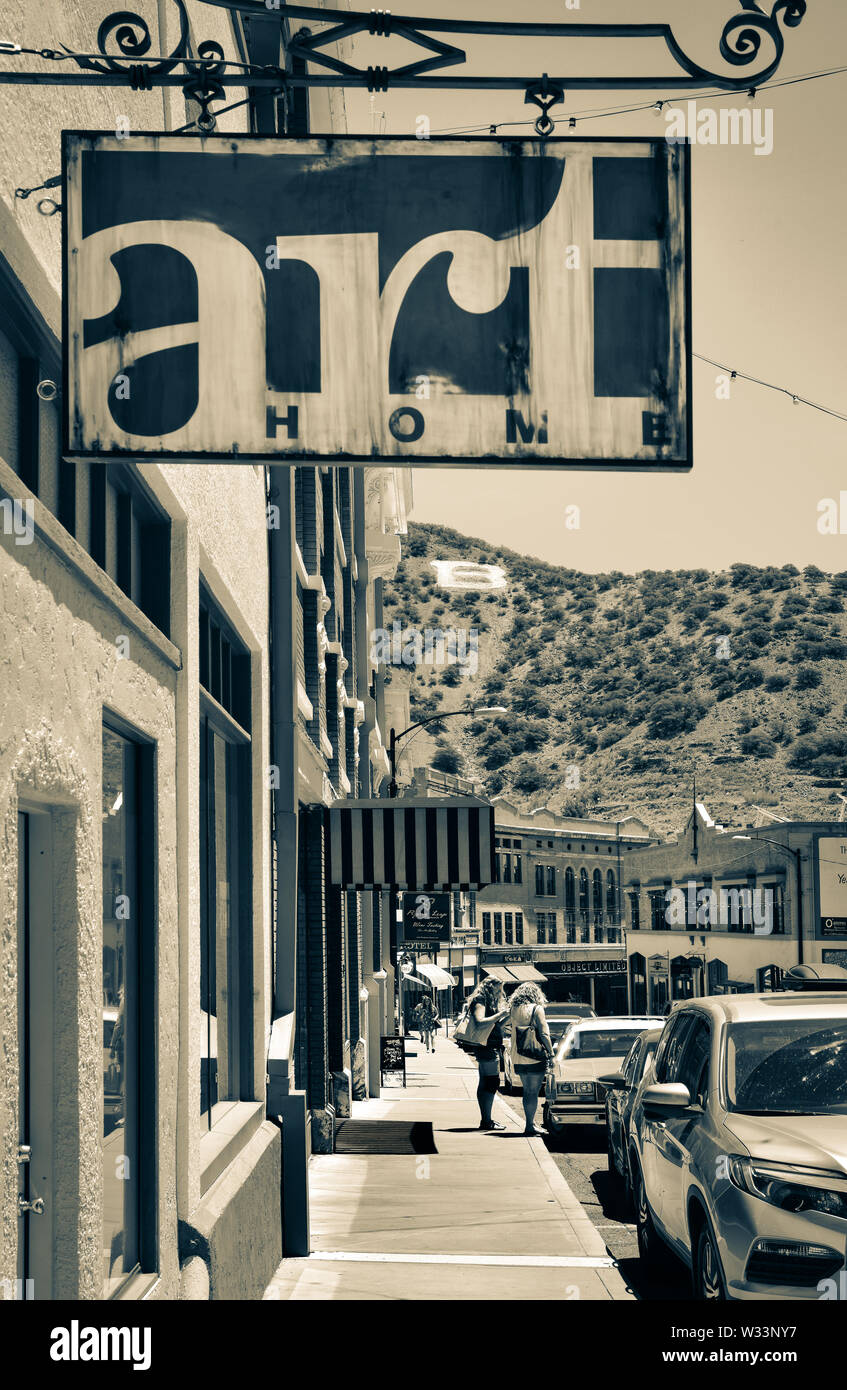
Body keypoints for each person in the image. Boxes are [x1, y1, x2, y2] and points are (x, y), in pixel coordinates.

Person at [508, 982, 556, 1137]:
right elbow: (544, 1033)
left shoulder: (514, 1009)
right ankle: (530, 1125)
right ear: (536, 994)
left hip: (518, 1055)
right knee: (533, 1092)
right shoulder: (537, 1009)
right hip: (534, 1055)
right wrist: (551, 1053)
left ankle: (530, 1123)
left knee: (527, 1090)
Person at [467, 977, 511, 1132]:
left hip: (489, 1045)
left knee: (486, 1082)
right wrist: (500, 1014)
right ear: (489, 987)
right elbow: (480, 1022)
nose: (500, 992)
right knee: (491, 1082)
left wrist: (508, 1016)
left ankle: (486, 1119)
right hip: (486, 1046)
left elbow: (496, 1026)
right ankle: (486, 1120)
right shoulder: (480, 999)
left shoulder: (488, 1000)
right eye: (498, 989)